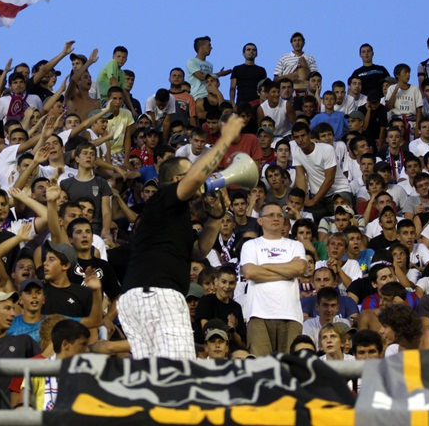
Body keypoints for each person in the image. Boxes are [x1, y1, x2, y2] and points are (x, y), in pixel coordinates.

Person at [118, 115, 243, 360]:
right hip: (158, 294)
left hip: (141, 296)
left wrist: (216, 218)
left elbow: (197, 252)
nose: (200, 182)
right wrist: (226, 138)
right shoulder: (164, 197)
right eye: (189, 176)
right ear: (177, 181)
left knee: (153, 374)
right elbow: (196, 178)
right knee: (179, 369)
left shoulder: (171, 214)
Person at [240, 201, 307, 355]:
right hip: (258, 314)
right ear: (260, 220)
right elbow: (250, 272)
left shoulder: (295, 245)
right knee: (262, 369)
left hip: (290, 314)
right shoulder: (251, 245)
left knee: (290, 369)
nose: (276, 218)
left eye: (279, 215)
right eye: (270, 215)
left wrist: (263, 267)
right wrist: (287, 269)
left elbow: (299, 269)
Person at [274, 32, 318, 97]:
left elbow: (316, 78)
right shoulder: (284, 58)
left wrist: (305, 66)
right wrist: (288, 77)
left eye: (299, 40)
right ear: (291, 43)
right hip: (289, 94)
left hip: (306, 93)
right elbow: (275, 79)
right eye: (294, 40)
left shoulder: (310, 58)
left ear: (303, 43)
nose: (297, 42)